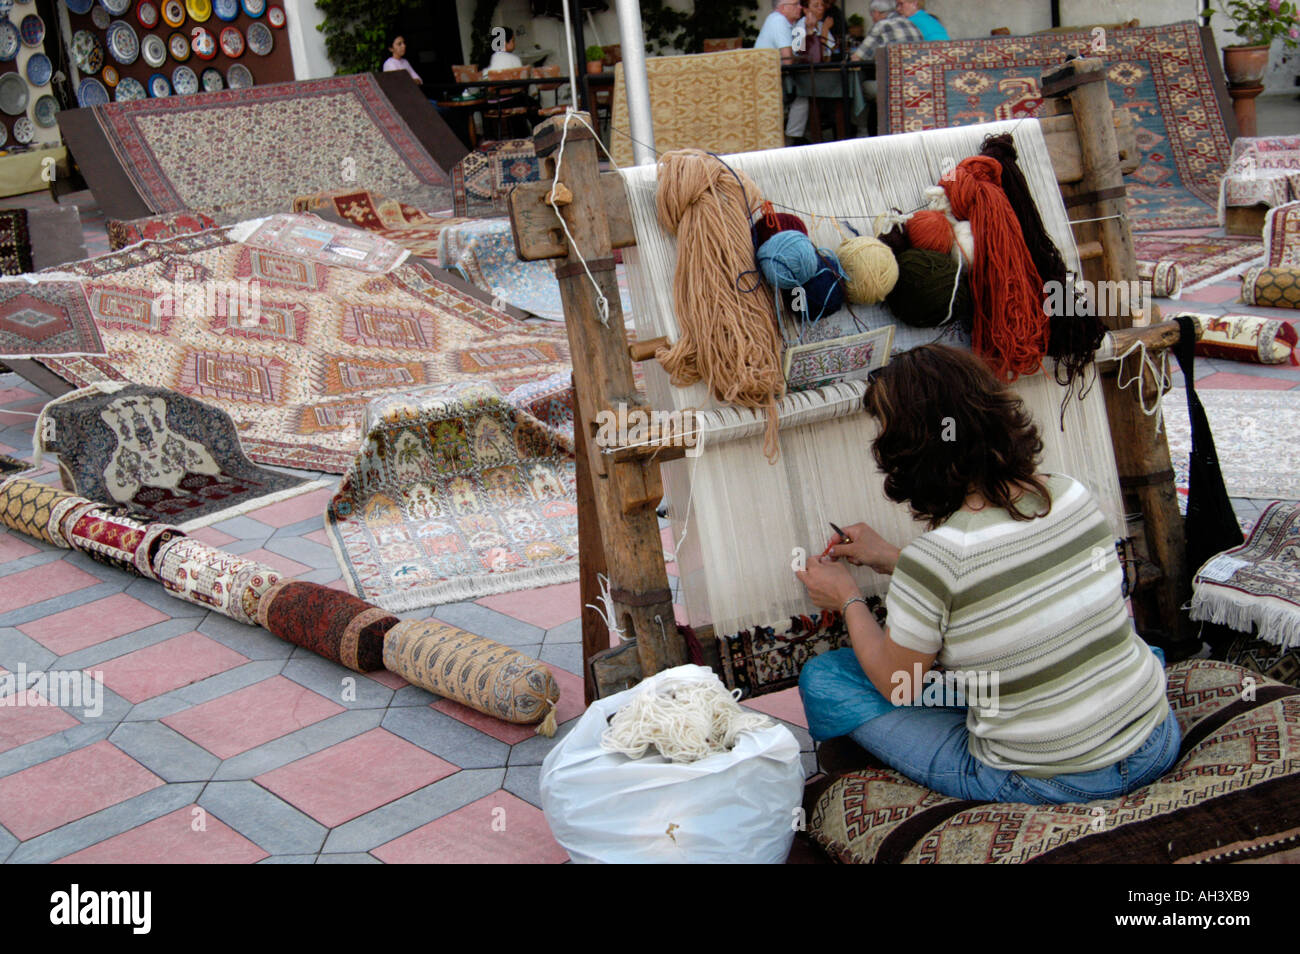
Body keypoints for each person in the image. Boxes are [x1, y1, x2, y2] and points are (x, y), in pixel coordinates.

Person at [795, 344, 1180, 804]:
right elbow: (1008, 578)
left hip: (1048, 780)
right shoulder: (1071, 494)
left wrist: (847, 598)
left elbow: (898, 684)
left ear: (906, 451)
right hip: (1156, 741)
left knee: (826, 678)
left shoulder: (935, 560)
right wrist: (892, 558)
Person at [754, 0, 809, 143]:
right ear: (783, 8)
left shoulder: (788, 23)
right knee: (805, 94)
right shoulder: (779, 21)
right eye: (796, 4)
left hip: (772, 78)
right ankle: (792, 139)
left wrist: (807, 27)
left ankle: (794, 137)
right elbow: (788, 59)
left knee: (805, 92)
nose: (800, 7)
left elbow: (798, 52)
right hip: (768, 82)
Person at [849, 0, 922, 62]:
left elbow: (857, 57)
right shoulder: (910, 23)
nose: (872, 18)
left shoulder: (882, 25)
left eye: (871, 14)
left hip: (893, 76)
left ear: (876, 12)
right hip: (916, 74)